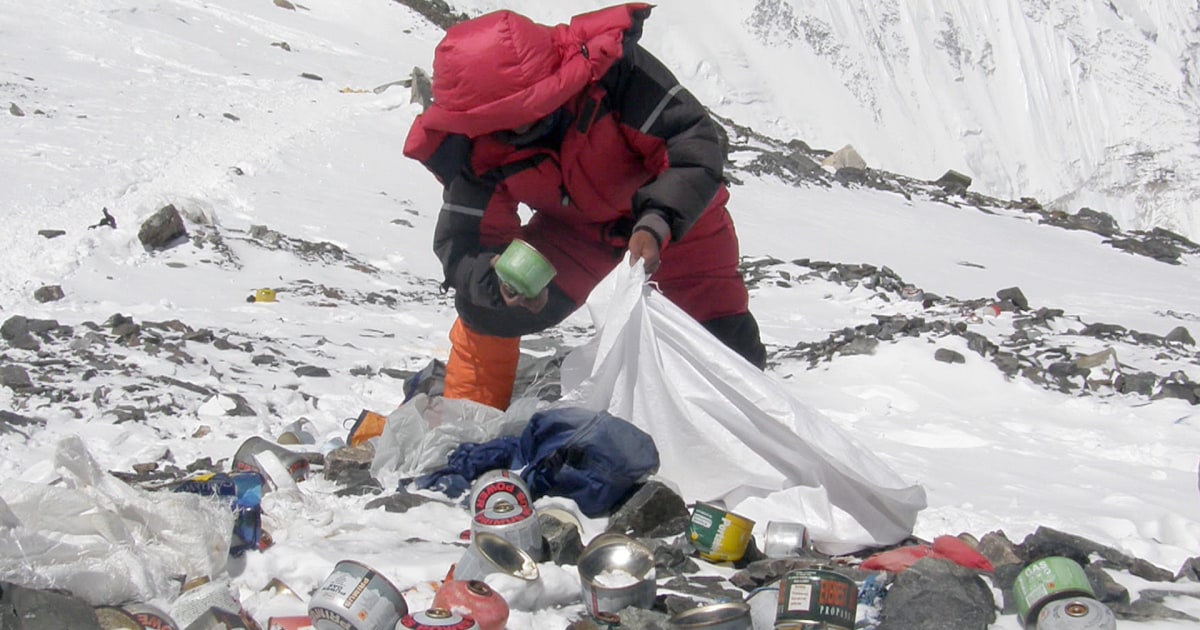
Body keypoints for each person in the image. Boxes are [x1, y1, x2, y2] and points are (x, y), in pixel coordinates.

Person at [403, 3, 767, 410]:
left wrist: (655, 224)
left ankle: (741, 429)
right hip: (574, 234)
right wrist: (499, 282)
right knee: (485, 309)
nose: (511, 129)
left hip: (675, 221)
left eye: (520, 113)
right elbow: (468, 240)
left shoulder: (613, 75)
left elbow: (690, 149)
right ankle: (470, 418)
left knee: (723, 345)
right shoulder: (479, 144)